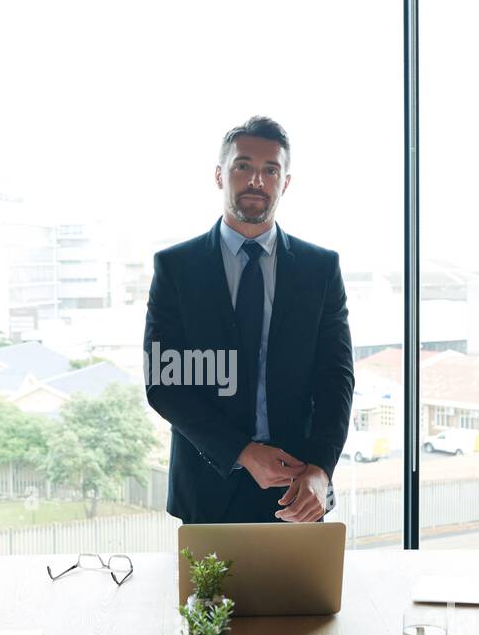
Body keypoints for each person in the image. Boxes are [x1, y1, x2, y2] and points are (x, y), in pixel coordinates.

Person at [144, 116, 354, 524]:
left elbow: (336, 379)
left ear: (285, 182)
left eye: (270, 170)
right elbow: (165, 384)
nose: (257, 180)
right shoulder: (177, 268)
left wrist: (321, 468)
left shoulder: (320, 269)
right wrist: (242, 451)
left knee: (304, 575)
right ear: (220, 175)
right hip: (208, 488)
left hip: (299, 488)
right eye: (243, 166)